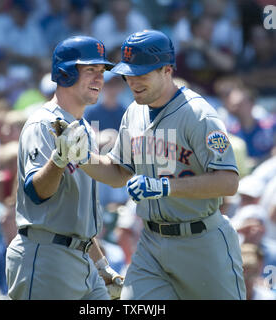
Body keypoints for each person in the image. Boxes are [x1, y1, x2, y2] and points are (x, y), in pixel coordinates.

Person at [67, 30, 246, 300]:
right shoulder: (133, 112)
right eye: (128, 74)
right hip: (151, 243)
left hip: (201, 241)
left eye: (142, 74)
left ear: (167, 70)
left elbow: (228, 182)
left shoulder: (199, 114)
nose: (132, 82)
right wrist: (81, 157)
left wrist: (164, 186)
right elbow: (118, 173)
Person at [5, 36, 123, 300]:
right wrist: (59, 160)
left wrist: (102, 265)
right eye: (90, 70)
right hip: (45, 258)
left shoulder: (84, 130)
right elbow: (37, 192)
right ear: (65, 73)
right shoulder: (42, 123)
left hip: (83, 262)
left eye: (101, 72)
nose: (99, 79)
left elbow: (78, 216)